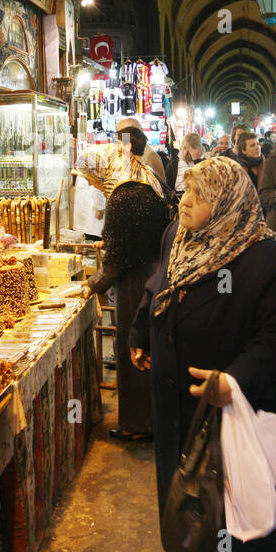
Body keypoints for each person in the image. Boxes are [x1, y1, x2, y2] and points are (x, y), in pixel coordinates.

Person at [129, 157, 276, 552]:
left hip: (235, 406)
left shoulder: (265, 259)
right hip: (180, 404)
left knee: (234, 501)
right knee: (185, 484)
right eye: (185, 191)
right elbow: (160, 283)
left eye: (199, 195)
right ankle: (191, 549)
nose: (184, 201)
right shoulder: (180, 234)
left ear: (227, 203)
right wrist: (141, 332)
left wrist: (235, 379)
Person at [78, 128, 171, 441]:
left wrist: (95, 283)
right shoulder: (145, 179)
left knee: (134, 351)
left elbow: (119, 257)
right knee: (147, 348)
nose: (94, 184)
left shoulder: (123, 195)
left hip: (136, 284)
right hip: (155, 274)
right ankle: (154, 419)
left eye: (92, 178)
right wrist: (111, 241)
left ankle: (138, 425)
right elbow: (135, 235)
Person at [174, 132, 205, 198]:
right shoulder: (173, 165)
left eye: (189, 151)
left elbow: (203, 184)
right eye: (184, 148)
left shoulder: (203, 164)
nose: (185, 154)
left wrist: (196, 159)